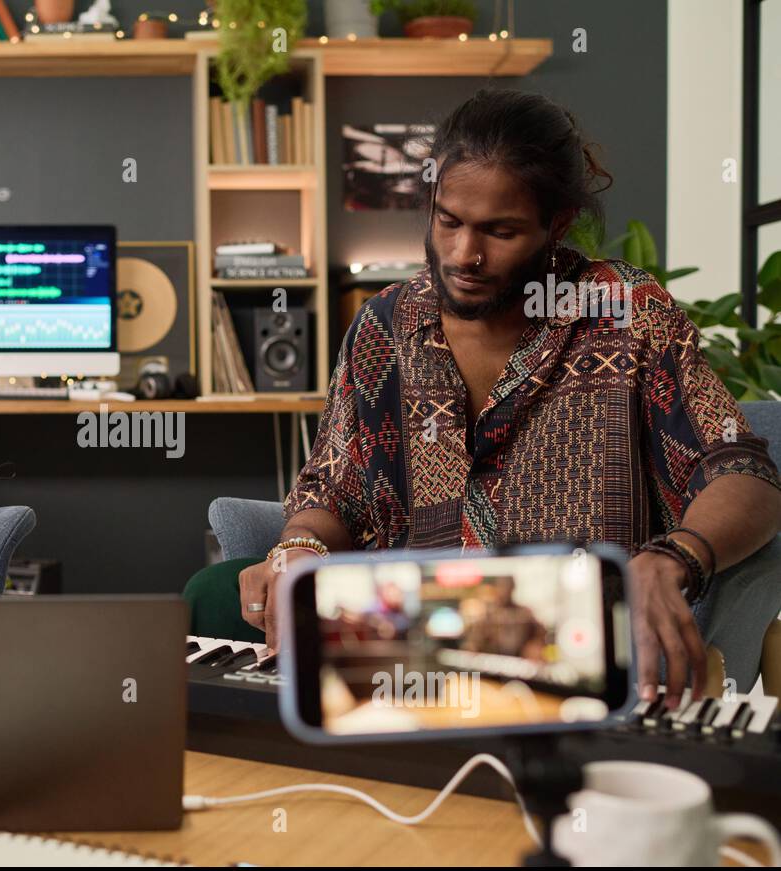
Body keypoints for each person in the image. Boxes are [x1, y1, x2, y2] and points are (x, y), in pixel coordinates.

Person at [184, 89, 781, 706]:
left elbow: (743, 472)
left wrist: (673, 559)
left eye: (500, 231)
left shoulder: (625, 313)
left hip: (569, 634)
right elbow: (333, 488)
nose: (465, 256)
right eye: (449, 221)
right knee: (215, 593)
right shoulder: (384, 325)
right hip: (403, 629)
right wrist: (298, 547)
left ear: (557, 223)